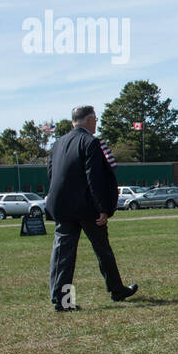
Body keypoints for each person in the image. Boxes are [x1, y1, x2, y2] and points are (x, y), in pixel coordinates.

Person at [45, 106, 137, 310]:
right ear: (88, 120)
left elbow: (52, 174)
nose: (96, 123)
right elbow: (94, 177)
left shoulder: (58, 143)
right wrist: (103, 208)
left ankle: (62, 300)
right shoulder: (90, 142)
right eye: (95, 119)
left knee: (63, 255)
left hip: (63, 206)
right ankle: (116, 289)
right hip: (87, 207)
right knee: (102, 249)